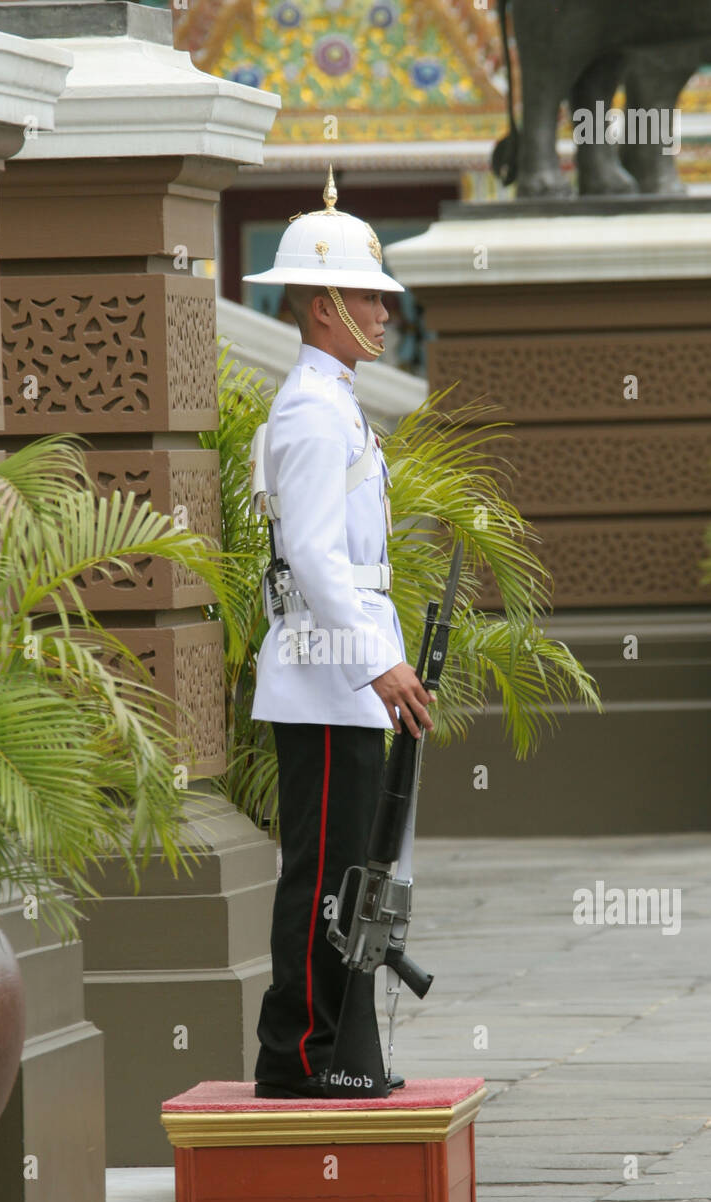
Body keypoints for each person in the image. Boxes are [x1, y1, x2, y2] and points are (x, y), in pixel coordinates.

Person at [244, 167, 436, 1100]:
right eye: (367, 296)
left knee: (355, 874)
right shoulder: (314, 414)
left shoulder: (336, 403)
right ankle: (301, 1055)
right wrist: (382, 664)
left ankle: (344, 1047)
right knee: (322, 872)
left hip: (344, 677)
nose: (384, 313)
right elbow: (317, 561)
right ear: (321, 308)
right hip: (329, 676)